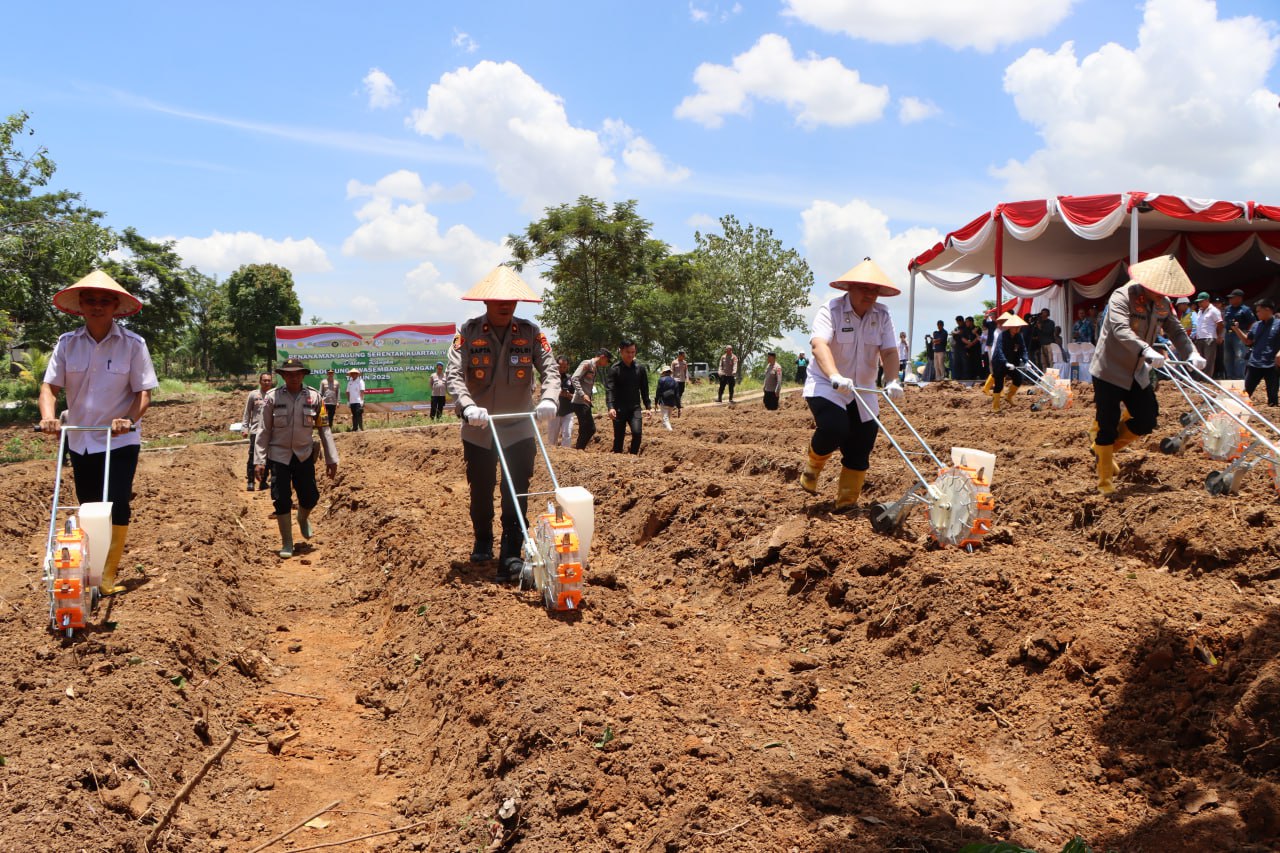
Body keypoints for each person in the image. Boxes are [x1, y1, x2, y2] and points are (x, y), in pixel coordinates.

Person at [39, 269, 158, 595]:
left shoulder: (133, 345)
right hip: (80, 438)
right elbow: (49, 386)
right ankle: (88, 571)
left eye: (104, 301)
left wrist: (128, 419)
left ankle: (105, 577)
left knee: (117, 501)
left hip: (119, 439)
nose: (97, 306)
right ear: (80, 305)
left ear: (115, 306)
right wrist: (49, 417)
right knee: (88, 505)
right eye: (90, 300)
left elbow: (143, 394)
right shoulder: (67, 344)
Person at [445, 266, 559, 581]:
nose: (505, 304)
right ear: (486, 302)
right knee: (481, 489)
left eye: (510, 299)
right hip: (479, 427)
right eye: (498, 300)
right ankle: (483, 539)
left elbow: (550, 369)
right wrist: (467, 406)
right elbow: (454, 374)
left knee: (516, 490)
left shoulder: (531, 332)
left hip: (519, 425)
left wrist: (549, 399)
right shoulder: (468, 333)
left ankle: (511, 553)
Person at [1089, 256, 1201, 495]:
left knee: (1147, 418)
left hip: (1137, 371)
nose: (1162, 294)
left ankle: (1102, 450)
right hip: (1109, 369)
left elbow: (1176, 330)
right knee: (1107, 424)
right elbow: (1120, 329)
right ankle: (1105, 482)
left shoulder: (1162, 304)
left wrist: (1192, 352)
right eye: (1159, 290)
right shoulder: (1122, 296)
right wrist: (1147, 349)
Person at [800, 258, 902, 510]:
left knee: (863, 443)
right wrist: (834, 375)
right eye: (865, 288)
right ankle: (812, 469)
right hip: (827, 384)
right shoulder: (831, 311)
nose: (870, 294)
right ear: (849, 288)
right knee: (835, 428)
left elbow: (889, 352)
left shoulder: (882, 315)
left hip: (863, 390)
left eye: (875, 289)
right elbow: (819, 345)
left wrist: (892, 379)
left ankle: (846, 504)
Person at [254, 358, 340, 558]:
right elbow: (264, 430)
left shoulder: (314, 397)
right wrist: (259, 460)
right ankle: (287, 542)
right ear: (282, 376)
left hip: (304, 454)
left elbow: (324, 429)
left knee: (310, 496)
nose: (294, 377)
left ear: (303, 375)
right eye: (289, 374)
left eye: (298, 373)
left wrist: (331, 458)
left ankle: (302, 518)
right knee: (281, 498)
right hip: (279, 455)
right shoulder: (272, 398)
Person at [605, 338, 652, 453]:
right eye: (628, 352)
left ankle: (633, 457)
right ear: (621, 351)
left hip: (634, 408)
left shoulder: (640, 369)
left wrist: (648, 406)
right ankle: (617, 461)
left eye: (633, 352)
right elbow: (610, 389)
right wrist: (610, 407)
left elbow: (644, 388)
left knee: (637, 433)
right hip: (619, 409)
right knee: (619, 438)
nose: (630, 355)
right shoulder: (614, 370)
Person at [1239, 298, 1280, 406]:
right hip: (1255, 362)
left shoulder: (1278, 324)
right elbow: (1248, 341)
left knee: (1272, 396)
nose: (1257, 314)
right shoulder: (1256, 325)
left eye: (1258, 311)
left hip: (1271, 363)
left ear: (1267, 310)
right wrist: (1236, 329)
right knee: (1246, 393)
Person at [570, 349, 610, 450]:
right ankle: (579, 450)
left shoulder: (594, 367)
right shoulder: (587, 363)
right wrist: (583, 394)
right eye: (607, 360)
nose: (606, 363)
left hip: (585, 403)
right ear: (602, 357)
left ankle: (579, 449)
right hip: (580, 402)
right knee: (589, 429)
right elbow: (574, 378)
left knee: (586, 429)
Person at [242, 371, 275, 491]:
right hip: (256, 431)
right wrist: (245, 427)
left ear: (272, 382)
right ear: (260, 382)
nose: (267, 382)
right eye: (264, 380)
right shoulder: (253, 395)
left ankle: (263, 481)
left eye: (269, 380)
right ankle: (250, 481)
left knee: (268, 458)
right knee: (252, 457)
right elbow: (247, 413)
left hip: (270, 431)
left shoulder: (274, 395)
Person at [990, 314, 1029, 413]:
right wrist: (1005, 362)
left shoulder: (1019, 336)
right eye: (1015, 327)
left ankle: (1009, 396)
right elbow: (999, 350)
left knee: (1018, 379)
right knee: (999, 385)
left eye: (1019, 327)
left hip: (1012, 363)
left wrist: (1026, 361)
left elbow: (1023, 349)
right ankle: (996, 407)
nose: (1017, 329)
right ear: (1010, 327)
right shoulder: (1002, 335)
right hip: (999, 362)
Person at [1222, 288, 1255, 381]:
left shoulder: (1245, 310)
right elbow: (1224, 321)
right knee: (1227, 357)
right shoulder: (1228, 308)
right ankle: (1229, 376)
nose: (1230, 300)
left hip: (1239, 334)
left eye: (1233, 298)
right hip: (1228, 334)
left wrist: (1248, 333)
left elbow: (1253, 323)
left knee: (1239, 356)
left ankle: (1239, 377)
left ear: (1239, 298)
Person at [1190, 291, 1223, 379]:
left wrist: (1218, 335)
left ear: (1207, 300)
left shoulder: (1214, 311)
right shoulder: (1200, 311)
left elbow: (1220, 324)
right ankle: (1199, 378)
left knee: (1209, 360)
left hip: (1210, 337)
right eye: (1198, 302)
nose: (1199, 303)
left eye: (1201, 301)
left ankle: (1207, 379)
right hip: (1200, 338)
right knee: (1200, 360)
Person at [548, 355, 575, 446]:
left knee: (567, 434)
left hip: (568, 411)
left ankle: (566, 456)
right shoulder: (551, 377)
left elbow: (575, 396)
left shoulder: (570, 378)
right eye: (560, 366)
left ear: (567, 366)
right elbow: (546, 391)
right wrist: (558, 392)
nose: (562, 368)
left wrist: (567, 395)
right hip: (554, 412)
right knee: (552, 438)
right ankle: (551, 456)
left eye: (564, 366)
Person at [655, 366, 679, 430]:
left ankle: (670, 431)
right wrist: (678, 406)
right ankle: (665, 430)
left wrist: (656, 402)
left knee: (665, 418)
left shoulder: (661, 380)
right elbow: (677, 395)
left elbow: (658, 392)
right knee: (667, 418)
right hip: (672, 403)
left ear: (664, 372)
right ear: (670, 373)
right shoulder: (675, 382)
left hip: (664, 402)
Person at [670, 351, 689, 417]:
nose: (684, 357)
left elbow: (686, 371)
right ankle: (677, 405)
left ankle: (677, 403)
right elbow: (672, 371)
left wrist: (687, 379)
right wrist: (671, 379)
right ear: (679, 355)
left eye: (684, 356)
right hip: (676, 380)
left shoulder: (684, 362)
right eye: (683, 356)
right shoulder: (674, 362)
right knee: (677, 393)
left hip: (682, 380)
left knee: (681, 392)